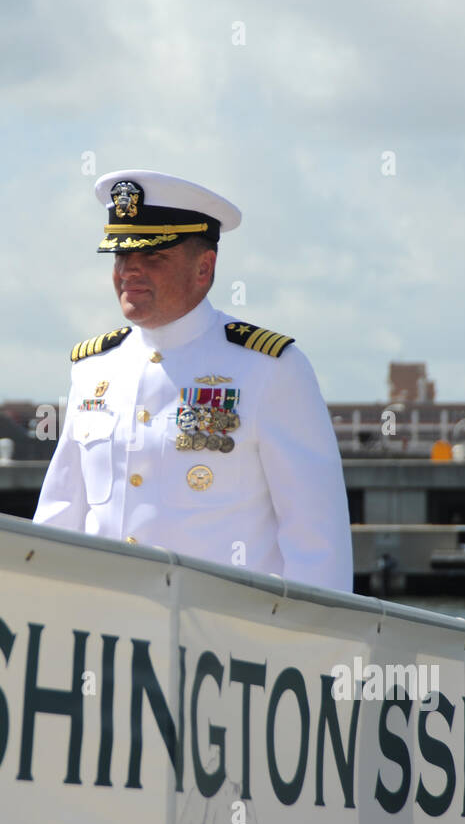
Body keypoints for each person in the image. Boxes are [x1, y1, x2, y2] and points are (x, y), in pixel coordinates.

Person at [33, 169, 353, 592]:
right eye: (121, 256)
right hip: (105, 635)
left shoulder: (270, 368)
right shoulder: (93, 369)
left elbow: (317, 539)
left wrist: (310, 646)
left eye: (153, 257)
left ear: (204, 268)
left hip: (221, 643)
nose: (129, 270)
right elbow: (60, 516)